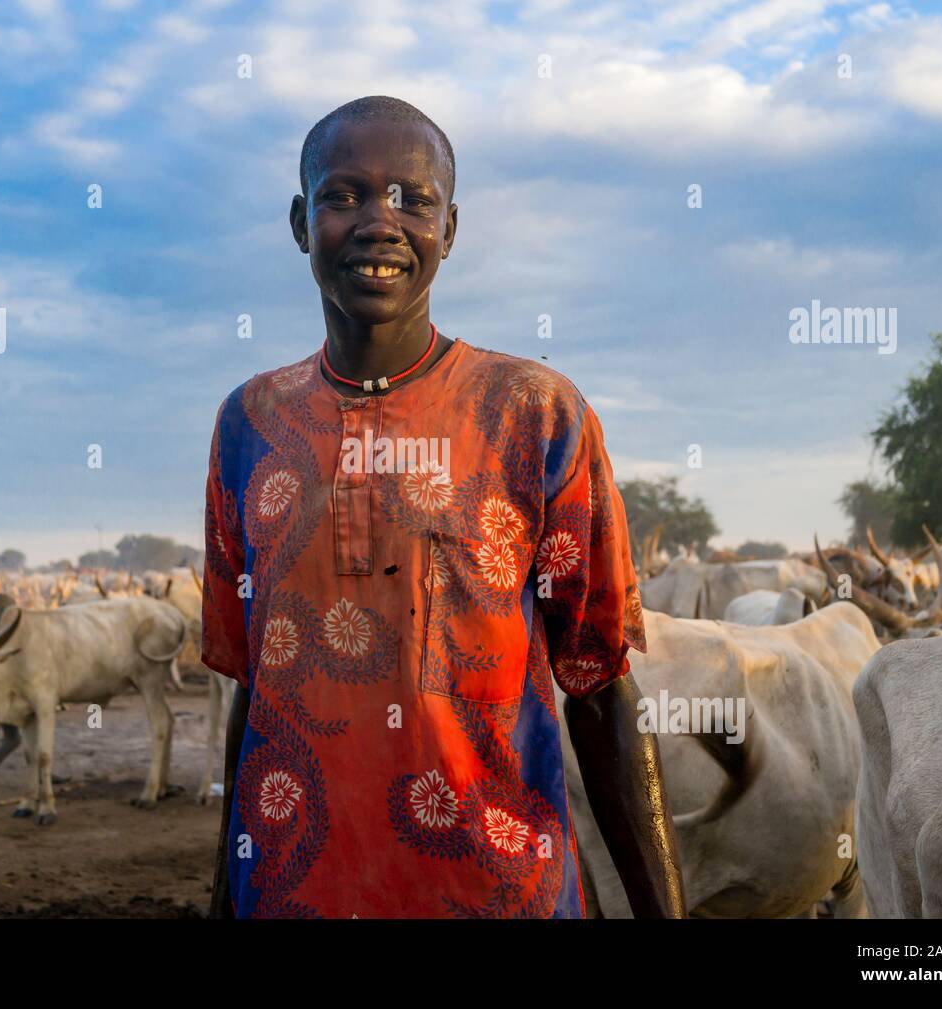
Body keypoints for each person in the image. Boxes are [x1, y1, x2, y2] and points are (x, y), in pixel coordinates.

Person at [201, 95, 685, 918]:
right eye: (343, 195)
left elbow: (601, 687)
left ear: (450, 229)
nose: (379, 222)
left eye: (413, 200)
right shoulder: (250, 425)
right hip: (292, 894)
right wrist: (222, 898)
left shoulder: (535, 415)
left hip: (498, 893)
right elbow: (259, 689)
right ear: (298, 221)